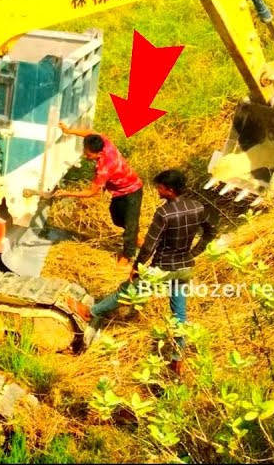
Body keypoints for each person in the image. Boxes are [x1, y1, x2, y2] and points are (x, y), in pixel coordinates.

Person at [66, 169, 216, 374]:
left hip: (162, 268)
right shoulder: (198, 207)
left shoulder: (164, 213)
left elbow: (149, 246)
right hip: (185, 267)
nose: (158, 190)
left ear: (170, 190)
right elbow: (210, 231)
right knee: (179, 313)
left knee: (126, 292)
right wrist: (194, 252)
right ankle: (177, 357)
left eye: (160, 187)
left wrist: (137, 267)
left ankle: (90, 312)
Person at [49, 123, 144, 267]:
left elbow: (92, 192)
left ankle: (127, 256)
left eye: (89, 154)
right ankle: (136, 238)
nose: (85, 155)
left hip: (132, 191)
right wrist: (69, 131)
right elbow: (89, 132)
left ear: (99, 154)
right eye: (85, 151)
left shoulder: (105, 167)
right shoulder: (103, 141)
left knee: (130, 226)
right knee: (117, 219)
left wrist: (67, 192)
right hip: (118, 191)